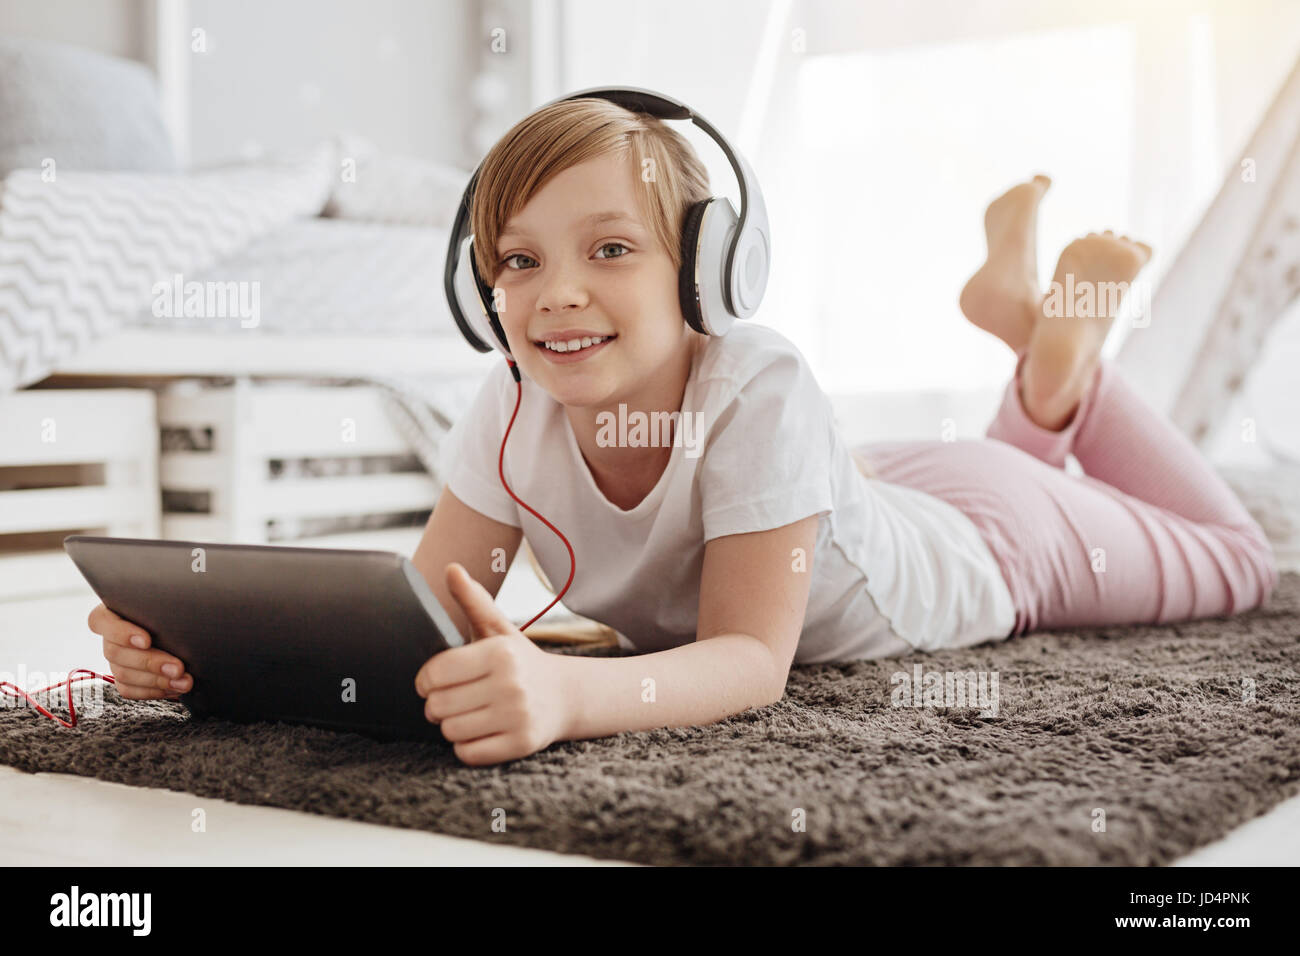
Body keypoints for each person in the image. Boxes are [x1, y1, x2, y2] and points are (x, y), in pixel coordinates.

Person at [88, 99, 1277, 767]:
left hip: (992, 539)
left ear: (705, 271)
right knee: (1042, 478)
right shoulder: (509, 400)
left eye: (610, 249)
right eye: (519, 260)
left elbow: (750, 663)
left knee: (1238, 561)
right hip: (868, 489)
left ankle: (1052, 358)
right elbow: (421, 611)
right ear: (479, 290)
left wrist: (564, 695)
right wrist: (207, 659)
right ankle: (1034, 352)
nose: (555, 293)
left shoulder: (756, 381)